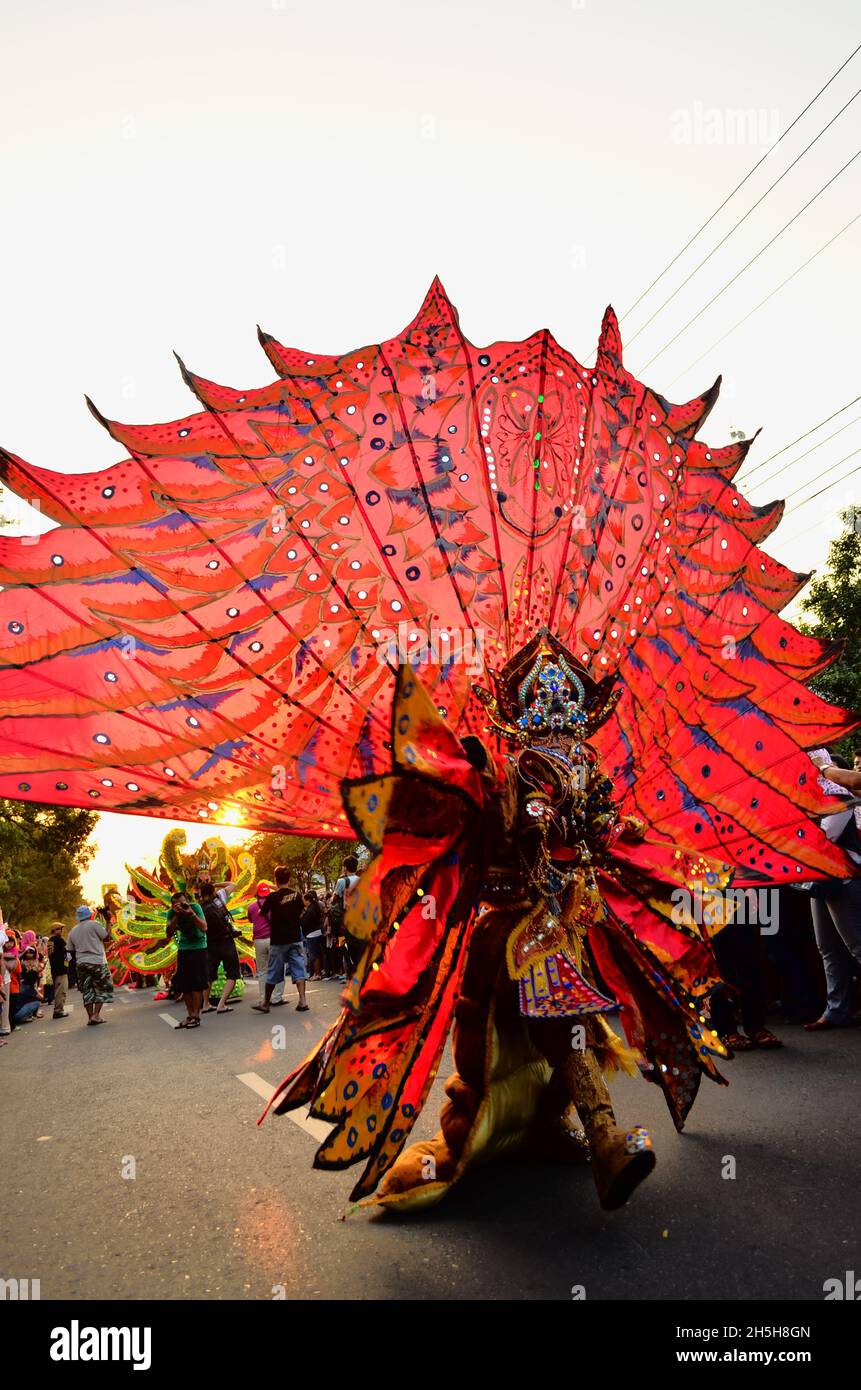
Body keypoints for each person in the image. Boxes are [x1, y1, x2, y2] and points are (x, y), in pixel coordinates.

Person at [802, 750, 861, 1031]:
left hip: (844, 880)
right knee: (827, 949)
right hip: (820, 882)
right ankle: (836, 1010)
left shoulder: (839, 797)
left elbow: (823, 839)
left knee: (857, 945)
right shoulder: (807, 799)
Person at [251, 867, 308, 1013]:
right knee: (299, 968)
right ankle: (302, 1001)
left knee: (272, 971)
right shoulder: (296, 895)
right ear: (289, 879)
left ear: (275, 879)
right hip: (295, 937)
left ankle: (265, 1003)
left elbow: (261, 912)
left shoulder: (272, 897)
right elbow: (302, 910)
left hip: (278, 940)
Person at [165, 890, 209, 1029]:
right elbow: (168, 933)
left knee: (197, 984)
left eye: (183, 903)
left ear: (188, 901)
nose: (181, 906)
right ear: (172, 906)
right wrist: (177, 916)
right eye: (176, 904)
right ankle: (190, 1015)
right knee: (185, 985)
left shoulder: (195, 908)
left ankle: (195, 1016)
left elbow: (204, 927)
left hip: (199, 948)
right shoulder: (172, 913)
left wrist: (191, 914)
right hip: (184, 949)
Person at [197, 880, 240, 1016]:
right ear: (213, 891)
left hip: (210, 944)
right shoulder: (220, 897)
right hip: (226, 941)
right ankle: (221, 1004)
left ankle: (205, 1004)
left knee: (209, 975)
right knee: (232, 974)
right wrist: (216, 884)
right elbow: (234, 884)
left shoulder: (199, 907)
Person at [67, 904, 113, 1025]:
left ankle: (90, 1017)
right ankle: (96, 1015)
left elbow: (70, 949)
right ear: (90, 915)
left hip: (81, 963)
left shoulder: (73, 930)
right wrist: (108, 921)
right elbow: (107, 938)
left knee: (87, 990)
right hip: (97, 961)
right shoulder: (94, 925)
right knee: (102, 987)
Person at [247, 882, 284, 1005]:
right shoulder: (275, 905)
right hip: (273, 939)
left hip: (258, 941)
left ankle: (264, 998)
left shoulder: (251, 907)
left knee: (262, 970)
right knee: (278, 968)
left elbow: (251, 919)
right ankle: (277, 997)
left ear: (257, 893)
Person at [329, 854, 361, 978]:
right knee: (359, 950)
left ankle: (350, 976)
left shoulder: (342, 881)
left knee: (345, 949)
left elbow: (333, 900)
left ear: (344, 867)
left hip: (344, 924)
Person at [48, 924, 70, 1020]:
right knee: (61, 991)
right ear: (54, 930)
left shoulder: (50, 941)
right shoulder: (57, 940)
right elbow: (67, 949)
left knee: (58, 990)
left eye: (61, 929)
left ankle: (59, 1009)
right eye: (59, 929)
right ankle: (58, 1011)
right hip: (60, 969)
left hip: (55, 969)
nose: (61, 931)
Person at [301, 890, 325, 979]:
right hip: (316, 933)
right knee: (316, 954)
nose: (303, 902)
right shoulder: (315, 907)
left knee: (314, 955)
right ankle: (317, 973)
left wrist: (301, 917)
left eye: (303, 900)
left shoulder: (310, 910)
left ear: (308, 900)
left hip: (312, 934)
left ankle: (317, 974)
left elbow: (304, 922)